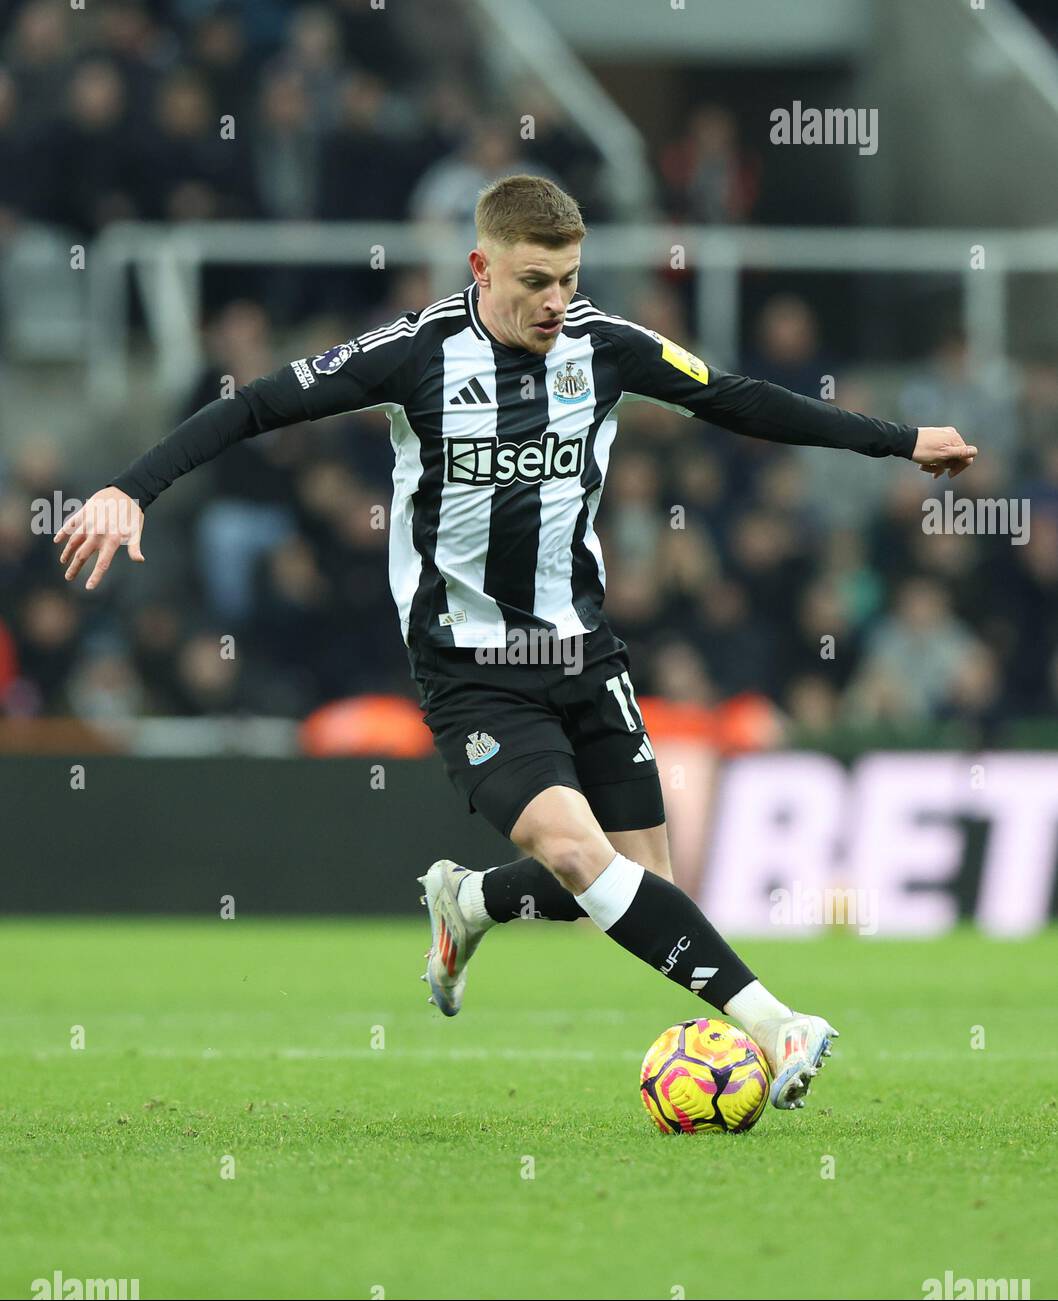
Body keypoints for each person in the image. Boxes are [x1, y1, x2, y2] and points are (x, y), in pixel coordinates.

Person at [55, 176, 977, 1110]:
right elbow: (256, 403)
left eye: (569, 280)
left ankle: (476, 901)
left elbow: (740, 400)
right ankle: (777, 1024)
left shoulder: (606, 348)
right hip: (471, 668)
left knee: (636, 886)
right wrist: (133, 486)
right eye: (535, 280)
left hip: (584, 652)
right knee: (584, 859)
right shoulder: (413, 355)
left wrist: (899, 442)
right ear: (480, 266)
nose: (555, 302)